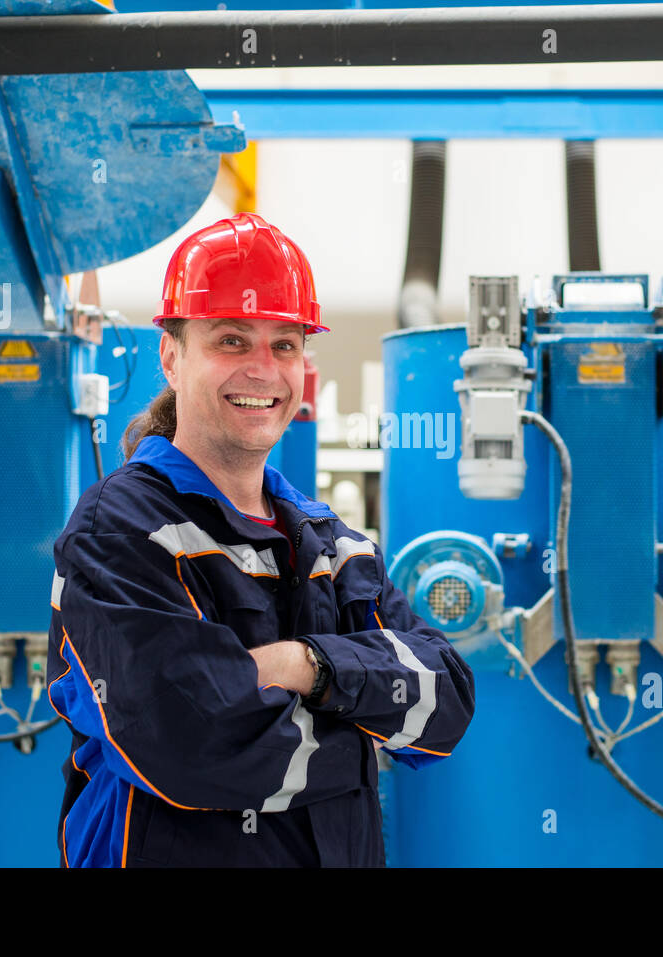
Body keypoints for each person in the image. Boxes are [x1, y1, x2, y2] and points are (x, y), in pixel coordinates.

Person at [46, 212, 475, 867]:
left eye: (283, 344)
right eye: (231, 340)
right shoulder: (121, 530)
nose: (263, 370)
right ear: (171, 355)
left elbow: (446, 701)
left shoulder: (330, 542)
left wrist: (307, 665)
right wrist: (359, 739)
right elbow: (191, 744)